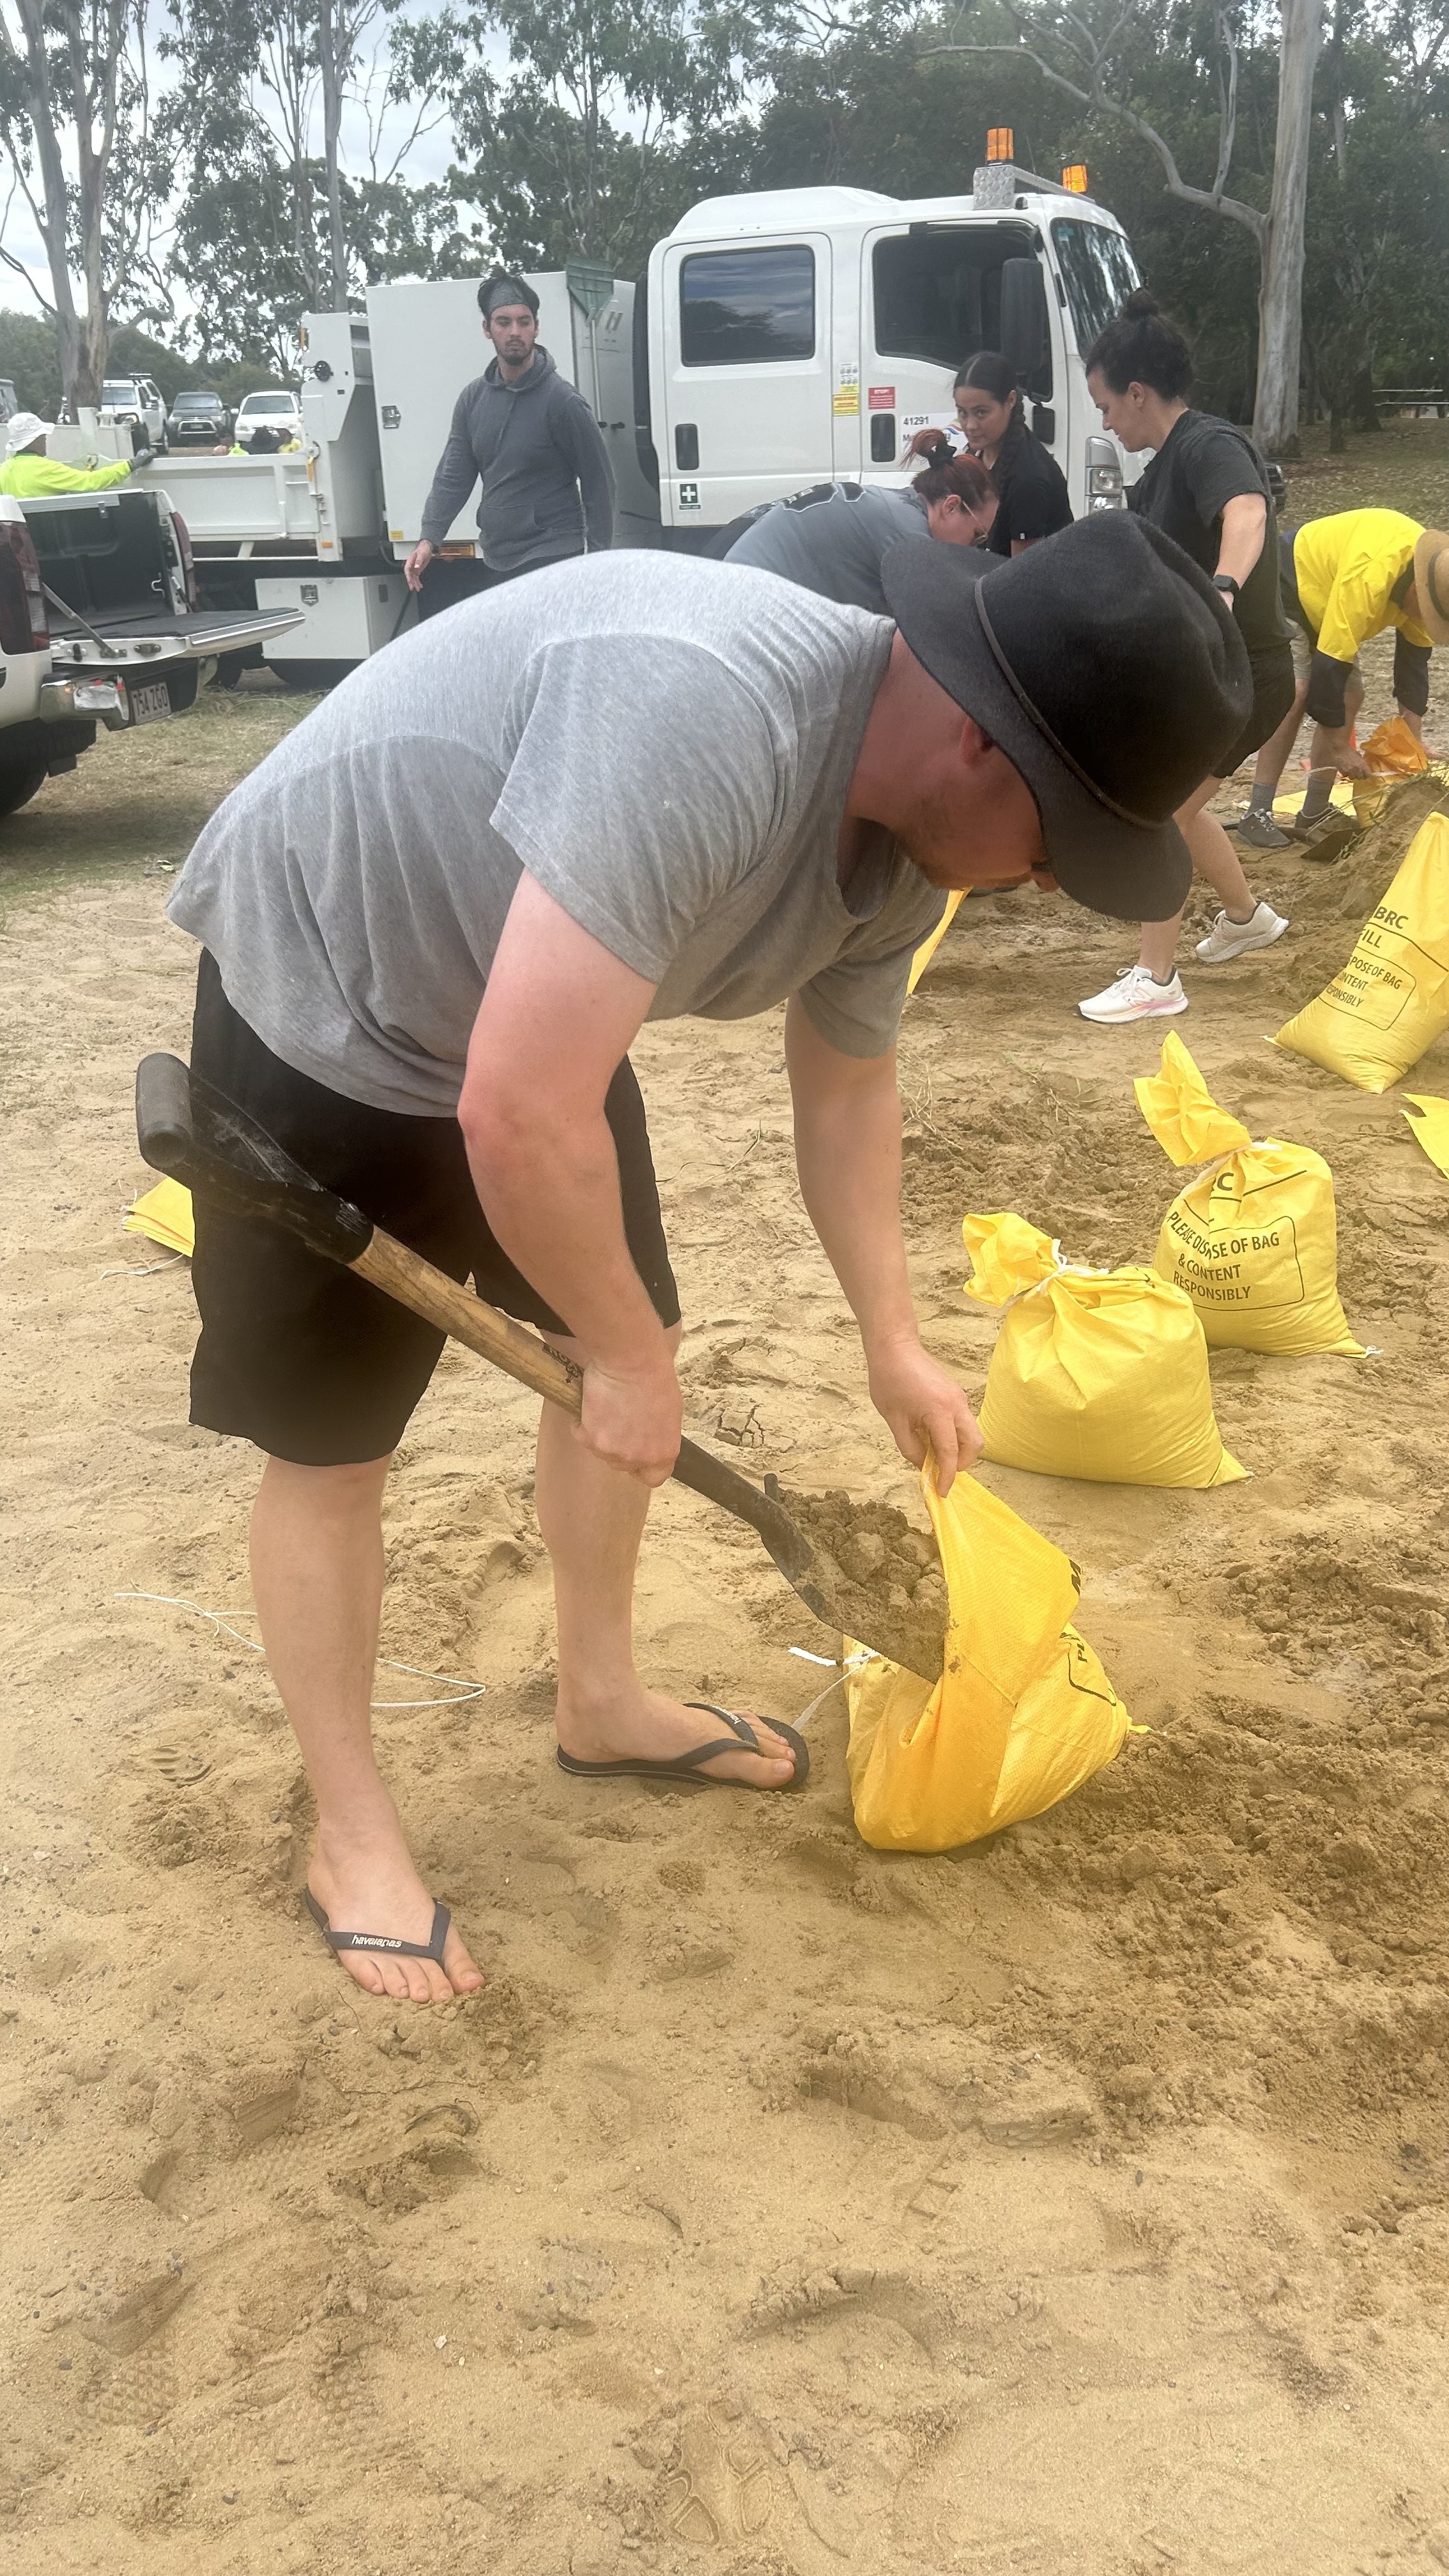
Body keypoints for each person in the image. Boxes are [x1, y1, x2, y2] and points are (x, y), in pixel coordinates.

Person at [162, 518, 1249, 2003]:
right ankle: (352, 1837)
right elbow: (520, 1111)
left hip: (531, 988)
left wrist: (891, 1338)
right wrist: (623, 1354)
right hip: (337, 977)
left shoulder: (917, 854)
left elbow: (850, 1087)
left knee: (629, 1334)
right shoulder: (707, 718)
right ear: (988, 752)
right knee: (338, 1442)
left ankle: (600, 1697)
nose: (1052, 887)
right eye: (1062, 844)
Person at [1073, 289, 1294, 1024]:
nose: (1104, 420)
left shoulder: (1209, 446)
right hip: (1213, 676)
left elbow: (1248, 511)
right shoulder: (1160, 468)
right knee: (1185, 807)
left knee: (1159, 810)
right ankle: (1246, 919)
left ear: (1138, 393)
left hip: (1246, 677)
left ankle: (1156, 976)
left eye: (1106, 405)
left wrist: (1224, 589)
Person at [403, 271, 615, 620]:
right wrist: (430, 538)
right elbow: (454, 476)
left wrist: (598, 559)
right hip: (498, 556)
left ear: (536, 327)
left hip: (553, 554)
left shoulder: (563, 402)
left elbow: (599, 482)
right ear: (488, 329)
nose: (515, 332)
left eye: (523, 322)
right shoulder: (472, 400)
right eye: (504, 322)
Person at [1236, 509, 1446, 848]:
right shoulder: (1371, 577)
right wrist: (1338, 749)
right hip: (1288, 581)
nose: (1427, 621)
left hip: (1327, 600)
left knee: (1352, 696)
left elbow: (1413, 670)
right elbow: (1330, 665)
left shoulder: (1435, 586)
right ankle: (1256, 812)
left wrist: (1414, 743)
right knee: (1295, 693)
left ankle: (1315, 810)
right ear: (1419, 591)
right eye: (1429, 614)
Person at [718, 450, 997, 611]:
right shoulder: (907, 536)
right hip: (748, 603)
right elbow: (932, 626)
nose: (974, 549)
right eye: (977, 536)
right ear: (951, 507)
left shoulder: (896, 505)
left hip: (741, 584)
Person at [908, 351, 1071, 557]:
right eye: (962, 412)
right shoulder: (978, 452)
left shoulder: (1027, 479)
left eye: (981, 413)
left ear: (1010, 401)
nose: (970, 425)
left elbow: (1024, 574)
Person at [0, 408, 148, 497]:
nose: (45, 441)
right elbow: (90, 482)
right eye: (43, 437)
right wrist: (130, 465)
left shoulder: (4, 470)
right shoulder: (45, 469)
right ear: (34, 441)